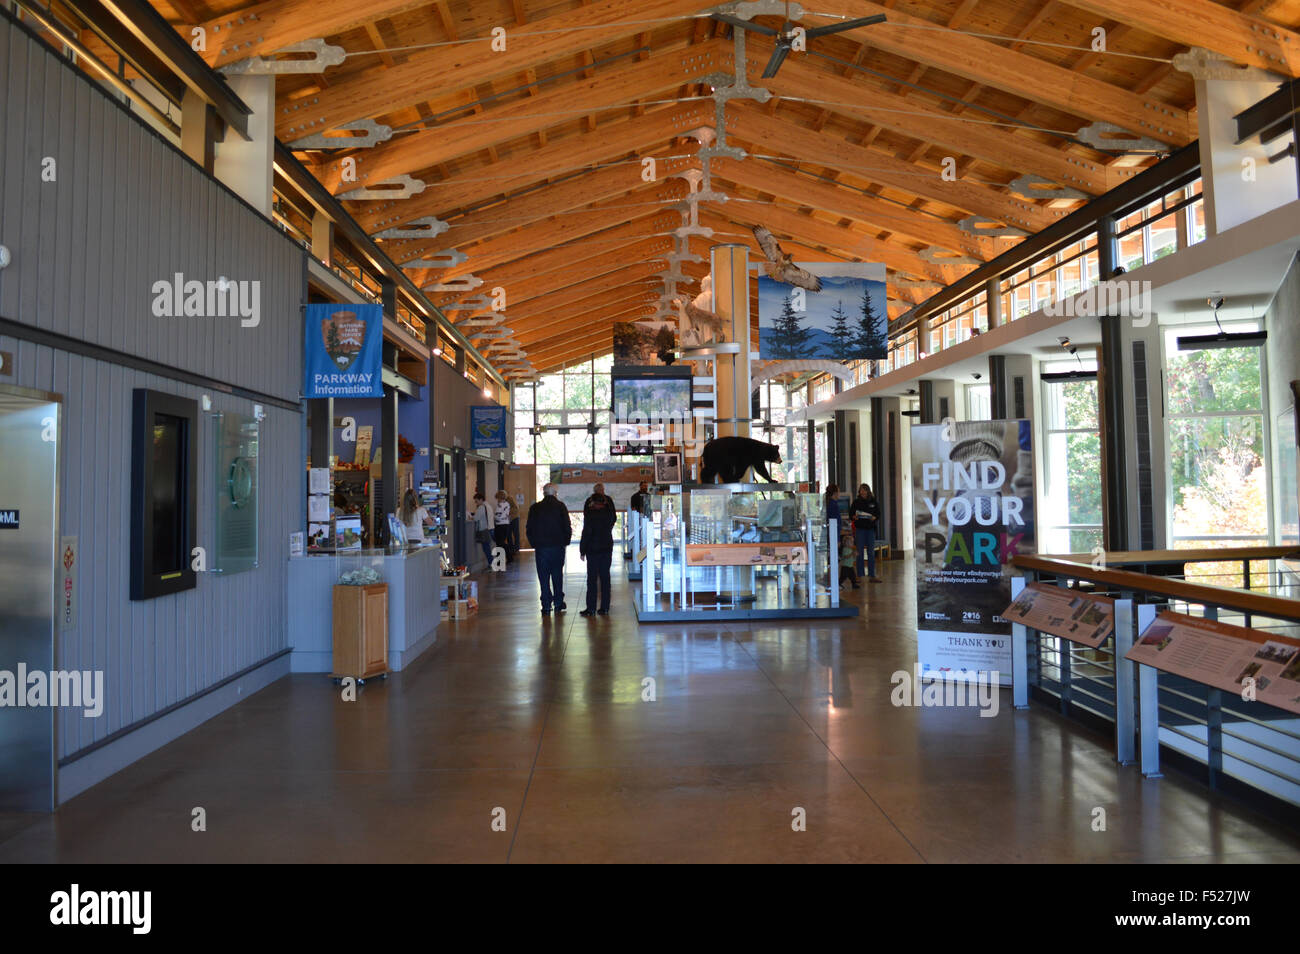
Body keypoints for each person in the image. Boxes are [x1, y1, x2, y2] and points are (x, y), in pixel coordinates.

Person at [526, 483, 572, 614]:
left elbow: (529, 528)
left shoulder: (535, 508)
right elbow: (567, 526)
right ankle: (558, 602)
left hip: (541, 547)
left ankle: (546, 604)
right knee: (557, 575)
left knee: (543, 576)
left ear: (544, 493)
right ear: (555, 493)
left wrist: (534, 543)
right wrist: (565, 542)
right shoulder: (560, 506)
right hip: (557, 546)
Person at [579, 482, 617, 616]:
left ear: (594, 502)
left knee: (592, 579)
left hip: (593, 550)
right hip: (607, 547)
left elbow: (586, 533)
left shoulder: (590, 516)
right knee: (605, 578)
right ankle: (605, 607)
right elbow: (613, 519)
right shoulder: (609, 515)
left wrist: (582, 550)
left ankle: (591, 608)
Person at [849, 482, 882, 583]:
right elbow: (851, 514)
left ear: (868, 491)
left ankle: (872, 575)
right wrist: (854, 517)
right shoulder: (856, 502)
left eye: (864, 490)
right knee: (859, 552)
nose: (862, 492)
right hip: (860, 530)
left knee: (871, 553)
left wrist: (874, 518)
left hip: (870, 530)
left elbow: (878, 514)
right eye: (861, 490)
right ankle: (859, 575)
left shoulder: (873, 502)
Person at [471, 492, 494, 567]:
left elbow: (476, 518)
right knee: (488, 547)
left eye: (476, 501)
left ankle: (491, 563)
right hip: (490, 528)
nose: (476, 503)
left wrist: (471, 517)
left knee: (486, 548)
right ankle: (491, 562)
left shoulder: (481, 507)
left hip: (484, 529)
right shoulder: (488, 506)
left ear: (481, 499)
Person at [493, 490, 513, 563]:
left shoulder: (501, 505)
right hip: (504, 524)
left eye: (497, 498)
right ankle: (503, 559)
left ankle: (507, 557)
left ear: (499, 497)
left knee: (500, 543)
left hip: (501, 525)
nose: (497, 499)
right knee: (500, 543)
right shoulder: (506, 504)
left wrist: (494, 517)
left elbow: (498, 516)